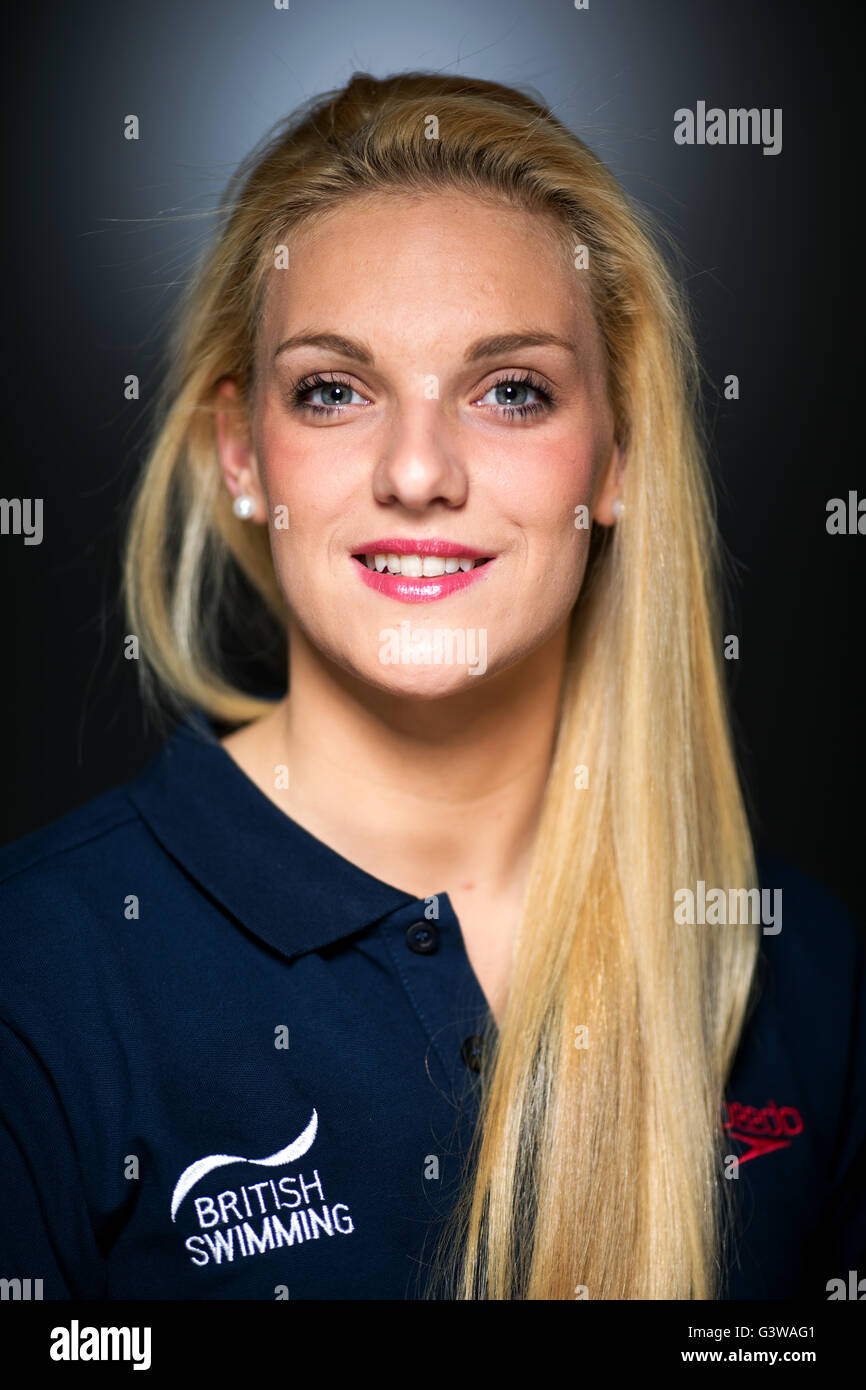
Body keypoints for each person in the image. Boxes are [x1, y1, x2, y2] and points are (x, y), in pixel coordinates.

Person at [0, 71, 863, 1302]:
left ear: (615, 457)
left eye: (510, 390)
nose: (416, 471)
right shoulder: (32, 979)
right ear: (241, 455)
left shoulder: (800, 969)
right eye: (334, 390)